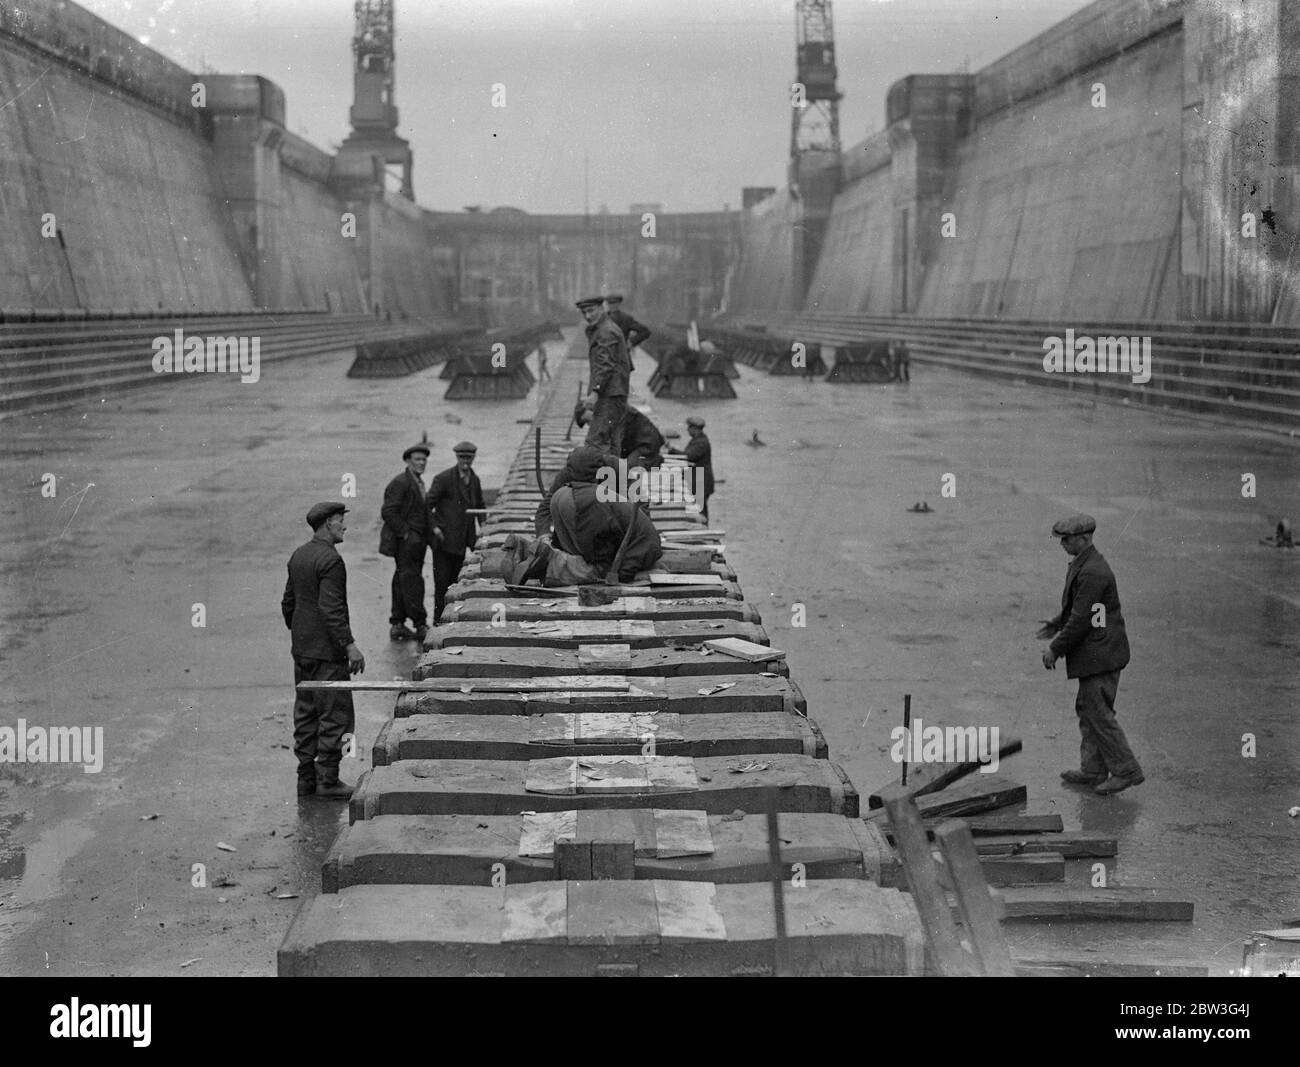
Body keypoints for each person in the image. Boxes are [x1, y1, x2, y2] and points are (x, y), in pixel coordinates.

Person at [1036, 514, 1143, 796]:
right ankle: (1093, 769)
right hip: (1098, 651)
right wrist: (1058, 621)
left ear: (1083, 539)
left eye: (1066, 539)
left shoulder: (1093, 571)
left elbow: (1082, 618)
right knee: (1088, 709)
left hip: (1102, 655)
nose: (1062, 544)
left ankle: (1126, 770)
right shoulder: (1086, 564)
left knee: (1099, 713)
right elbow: (1080, 607)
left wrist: (1055, 648)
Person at [281, 502, 365, 800]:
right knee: (336, 714)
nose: (344, 527)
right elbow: (332, 609)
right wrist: (349, 645)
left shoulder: (299, 555)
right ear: (328, 524)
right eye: (340, 521)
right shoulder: (331, 560)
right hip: (328, 652)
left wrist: (303, 635)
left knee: (306, 711)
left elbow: (288, 603)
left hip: (302, 650)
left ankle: (305, 779)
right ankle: (328, 779)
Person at [514, 445, 662, 585]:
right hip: (598, 521)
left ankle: (543, 557)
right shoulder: (568, 473)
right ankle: (551, 557)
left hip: (614, 525)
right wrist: (544, 537)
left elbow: (639, 506)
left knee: (602, 567)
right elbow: (546, 508)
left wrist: (635, 532)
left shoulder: (618, 469)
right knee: (600, 568)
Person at [428, 440, 486, 624]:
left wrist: (484, 530)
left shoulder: (474, 480)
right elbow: (426, 506)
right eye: (462, 458)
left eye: (469, 458)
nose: (465, 461)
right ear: (457, 457)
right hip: (444, 543)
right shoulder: (443, 479)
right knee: (442, 586)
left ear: (474, 458)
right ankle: (438, 623)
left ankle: (449, 621)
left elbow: (480, 506)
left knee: (455, 584)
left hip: (461, 543)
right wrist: (435, 528)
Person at [380, 441, 432, 641]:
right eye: (417, 459)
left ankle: (398, 623)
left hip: (415, 541)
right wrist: (406, 533)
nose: (421, 463)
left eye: (424, 460)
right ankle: (420, 624)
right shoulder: (401, 482)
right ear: (408, 462)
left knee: (401, 580)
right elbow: (388, 511)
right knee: (412, 581)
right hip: (406, 543)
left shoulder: (417, 481)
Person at [576, 295, 631, 455]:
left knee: (595, 442)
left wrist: (595, 392)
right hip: (615, 393)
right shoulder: (607, 328)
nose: (588, 316)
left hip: (609, 395)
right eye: (584, 312)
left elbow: (605, 365)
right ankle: (613, 479)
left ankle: (594, 479)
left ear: (602, 308)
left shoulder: (605, 332)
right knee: (612, 443)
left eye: (591, 311)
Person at [667, 415, 714, 524]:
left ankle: (702, 530)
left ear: (695, 429)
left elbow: (688, 456)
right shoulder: (698, 440)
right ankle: (702, 529)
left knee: (699, 510)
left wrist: (672, 450)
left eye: (689, 427)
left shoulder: (701, 442)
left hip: (700, 481)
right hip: (699, 480)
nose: (688, 430)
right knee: (699, 508)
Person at [604, 294, 651, 370]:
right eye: (610, 303)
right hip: (605, 358)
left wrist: (631, 342)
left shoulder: (626, 318)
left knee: (620, 380)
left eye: (614, 303)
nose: (612, 306)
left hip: (622, 358)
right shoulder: (602, 318)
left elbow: (645, 331)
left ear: (619, 304)